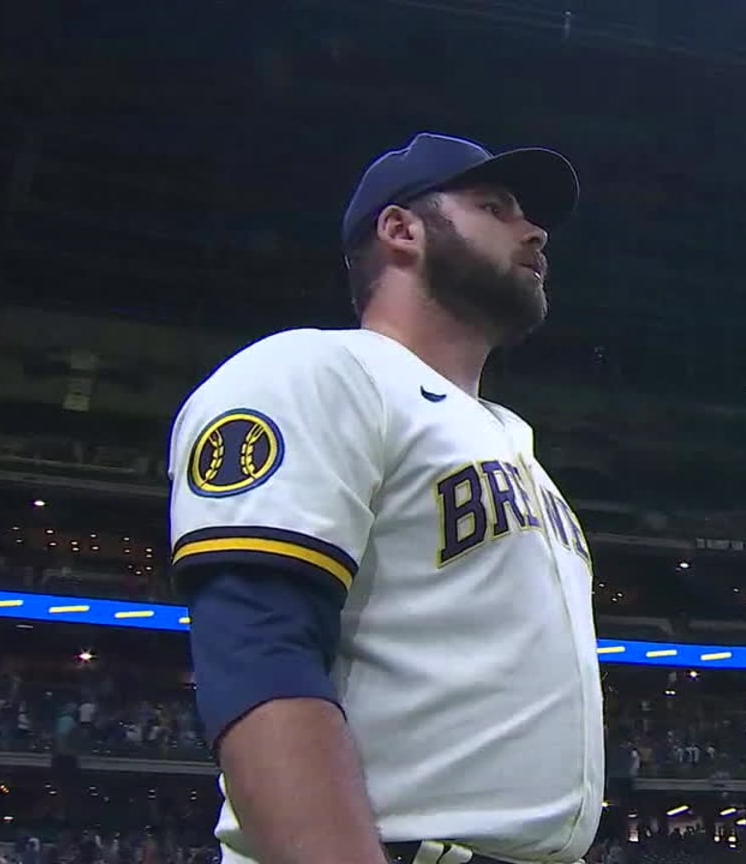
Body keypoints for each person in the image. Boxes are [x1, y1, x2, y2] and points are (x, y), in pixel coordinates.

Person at [167, 132, 603, 864]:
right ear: (401, 230)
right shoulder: (315, 370)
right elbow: (258, 651)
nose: (534, 231)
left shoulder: (510, 442)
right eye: (494, 207)